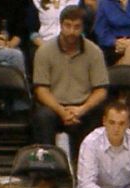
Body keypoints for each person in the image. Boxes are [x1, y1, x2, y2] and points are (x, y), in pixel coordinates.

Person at [31, 6, 109, 161]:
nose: (71, 31)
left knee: (99, 115)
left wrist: (82, 109)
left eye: (76, 27)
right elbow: (41, 90)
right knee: (42, 117)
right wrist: (61, 111)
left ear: (82, 28)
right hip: (54, 106)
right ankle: (46, 176)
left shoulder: (94, 52)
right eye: (68, 26)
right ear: (61, 25)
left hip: (83, 106)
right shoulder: (44, 51)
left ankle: (86, 173)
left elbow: (101, 90)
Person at [91, 0, 130, 69]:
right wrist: (115, 42)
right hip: (114, 47)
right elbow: (101, 31)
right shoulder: (104, 2)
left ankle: (113, 75)